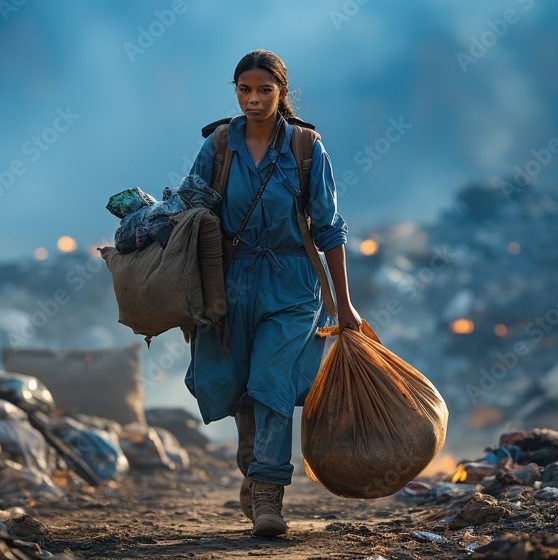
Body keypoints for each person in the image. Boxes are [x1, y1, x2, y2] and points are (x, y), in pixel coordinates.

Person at [184, 49, 362, 537]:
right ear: (235, 91)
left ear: (282, 92)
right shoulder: (219, 147)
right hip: (231, 285)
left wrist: (343, 305)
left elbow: (329, 230)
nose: (254, 99)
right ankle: (253, 462)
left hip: (292, 286)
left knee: (272, 382)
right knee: (237, 384)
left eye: (265, 90)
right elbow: (193, 213)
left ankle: (268, 497)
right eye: (245, 90)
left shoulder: (306, 149)